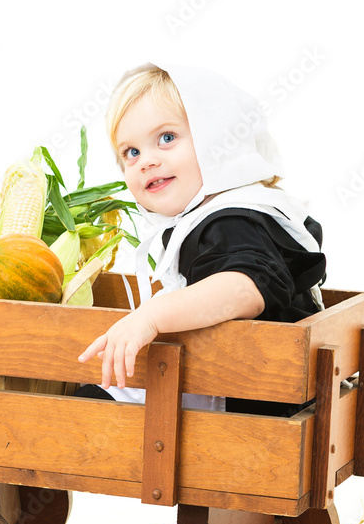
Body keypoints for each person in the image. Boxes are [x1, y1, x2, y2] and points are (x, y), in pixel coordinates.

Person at [77, 63, 327, 412]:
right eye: (131, 152)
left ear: (218, 140)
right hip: (233, 382)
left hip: (250, 405)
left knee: (80, 409)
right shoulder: (209, 218)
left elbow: (246, 287)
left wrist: (151, 316)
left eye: (166, 138)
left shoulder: (232, 220)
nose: (146, 161)